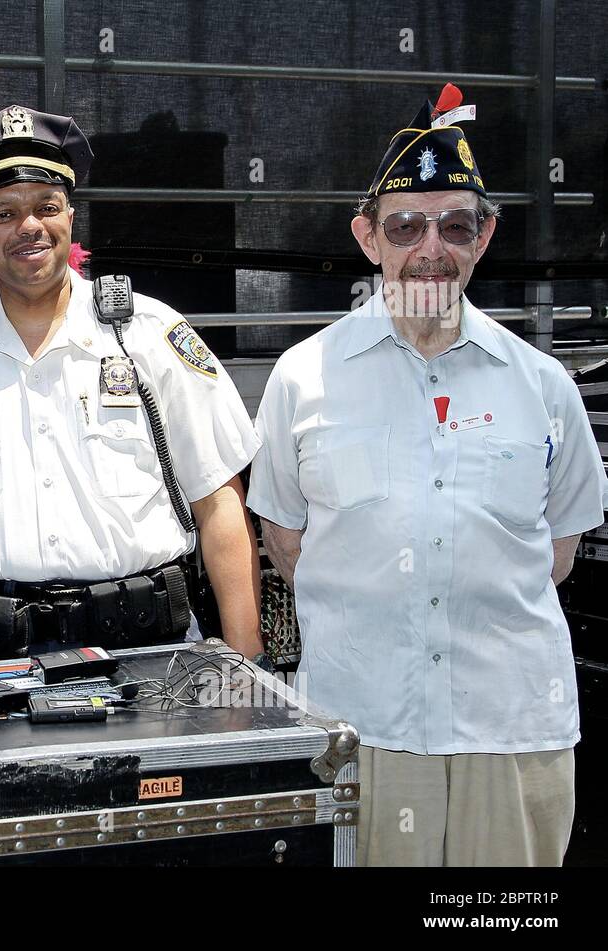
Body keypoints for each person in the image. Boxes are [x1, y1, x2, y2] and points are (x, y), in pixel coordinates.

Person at [247, 85, 608, 865]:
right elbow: (285, 541)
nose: (431, 247)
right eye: (406, 225)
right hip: (362, 727)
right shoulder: (302, 380)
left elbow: (559, 554)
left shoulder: (545, 387)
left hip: (511, 733)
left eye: (456, 224)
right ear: (367, 237)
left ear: (486, 237)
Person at [0, 105, 265, 668]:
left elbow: (219, 503)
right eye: (3, 213)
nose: (28, 227)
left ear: (69, 218)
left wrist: (244, 666)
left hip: (151, 652)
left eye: (46, 208)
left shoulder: (151, 334)